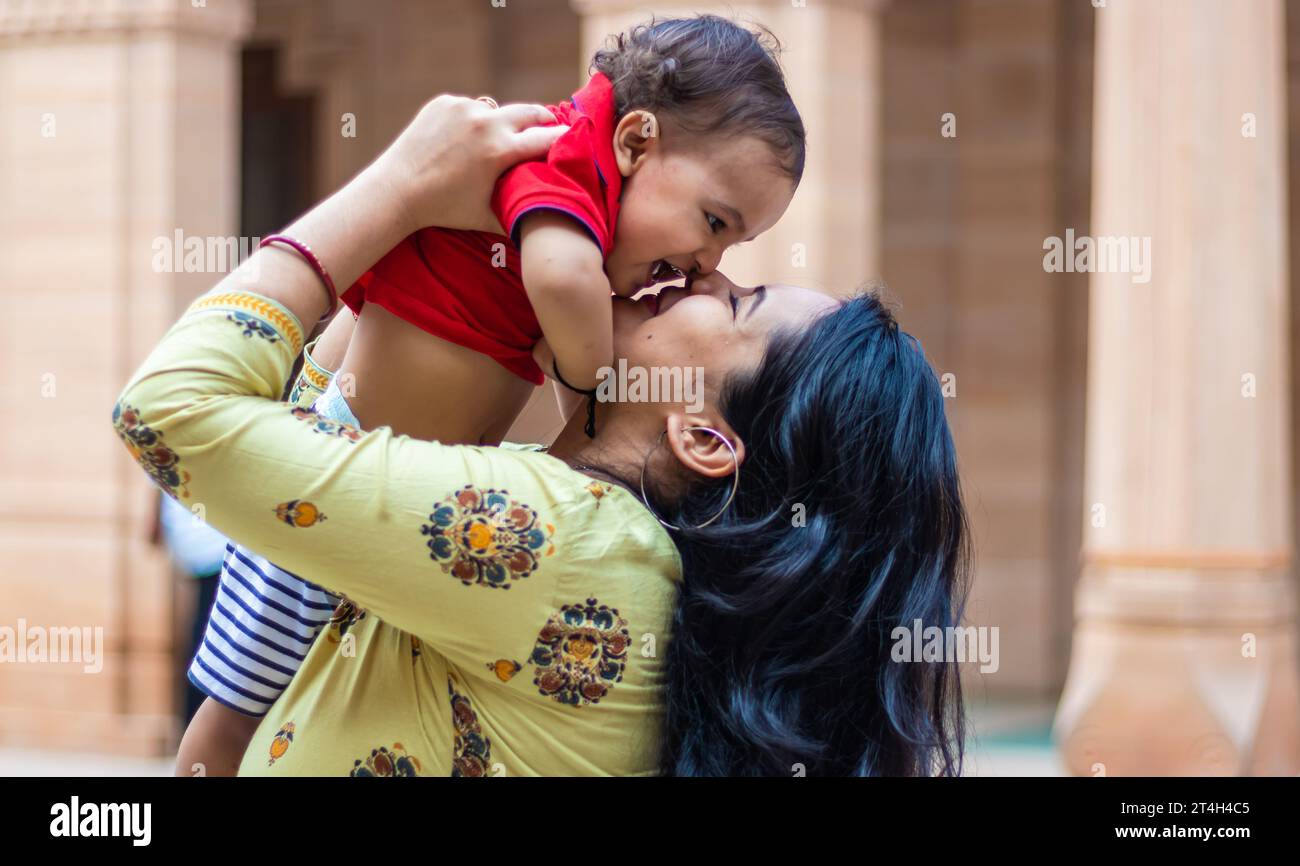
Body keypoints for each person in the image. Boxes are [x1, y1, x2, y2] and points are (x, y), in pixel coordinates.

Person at [114, 92, 971, 776]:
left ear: (707, 441)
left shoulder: (546, 539)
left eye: (737, 302)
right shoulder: (610, 547)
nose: (703, 275)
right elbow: (326, 406)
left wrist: (400, 186)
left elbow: (167, 413)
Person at [179, 14, 806, 775]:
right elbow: (559, 281)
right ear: (636, 141)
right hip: (338, 453)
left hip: (365, 453)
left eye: (731, 253)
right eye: (714, 224)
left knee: (276, 684)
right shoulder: (560, 176)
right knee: (242, 697)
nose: (705, 264)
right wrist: (587, 367)